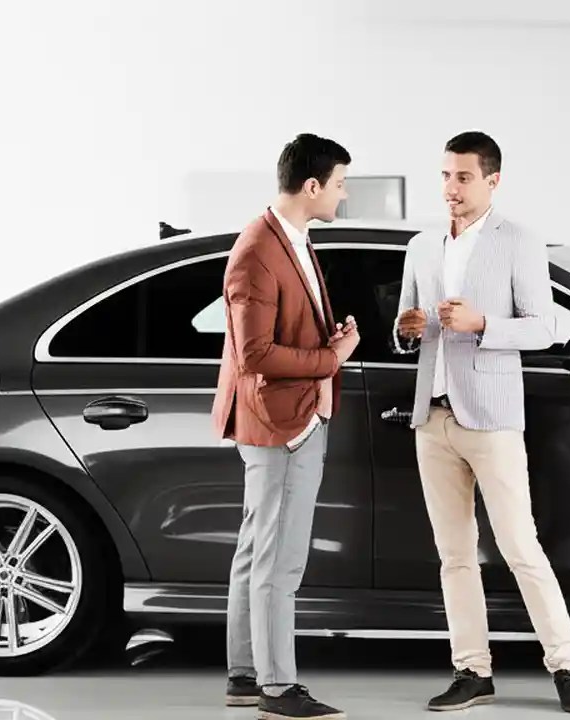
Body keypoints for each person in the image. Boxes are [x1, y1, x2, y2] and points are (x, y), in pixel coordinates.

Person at [393, 131, 570, 714]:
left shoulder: (519, 242)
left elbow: (544, 326)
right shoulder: (422, 246)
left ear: (492, 181)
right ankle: (471, 670)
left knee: (519, 545)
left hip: (492, 417)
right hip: (432, 416)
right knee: (454, 553)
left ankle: (565, 666)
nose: (450, 188)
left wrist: (483, 323)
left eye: (462, 177)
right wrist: (406, 333)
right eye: (445, 176)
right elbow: (411, 330)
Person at [212, 132, 359, 720]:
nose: (344, 197)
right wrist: (332, 360)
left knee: (256, 551)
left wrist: (332, 338)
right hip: (282, 423)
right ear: (313, 185)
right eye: (341, 185)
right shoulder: (257, 250)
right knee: (280, 558)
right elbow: (254, 354)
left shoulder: (290, 238)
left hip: (290, 415)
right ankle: (277, 688)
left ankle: (246, 676)